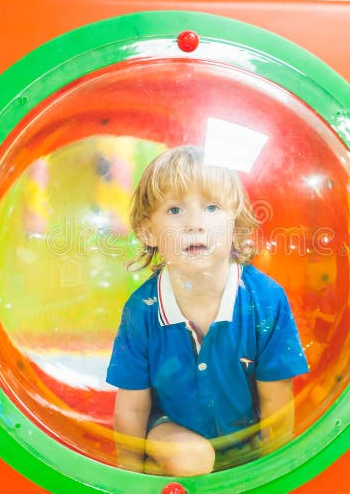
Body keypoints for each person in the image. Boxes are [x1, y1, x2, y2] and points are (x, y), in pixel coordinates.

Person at [106, 145, 309, 476]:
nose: (194, 224)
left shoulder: (265, 299)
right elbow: (131, 406)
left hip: (242, 431)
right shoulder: (143, 310)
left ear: (236, 225)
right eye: (174, 210)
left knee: (240, 459)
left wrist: (273, 474)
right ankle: (157, 468)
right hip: (170, 425)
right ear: (147, 231)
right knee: (193, 458)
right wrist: (127, 476)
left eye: (211, 207)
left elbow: (276, 402)